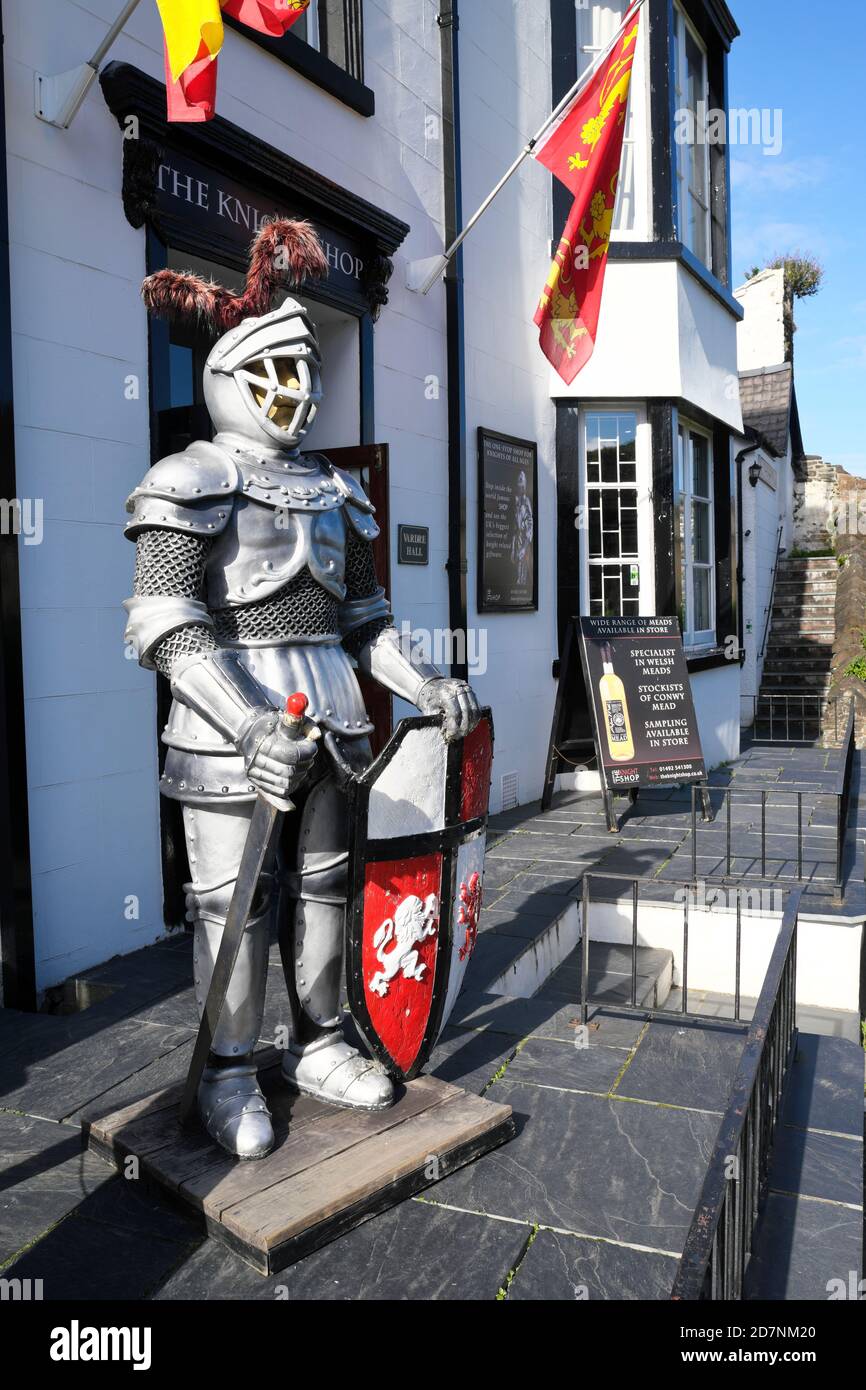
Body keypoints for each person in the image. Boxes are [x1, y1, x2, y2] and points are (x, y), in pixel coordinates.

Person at [124, 219, 480, 1159]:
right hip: (227, 722)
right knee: (234, 907)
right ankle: (229, 1068)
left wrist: (421, 682)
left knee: (327, 889)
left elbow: (363, 617)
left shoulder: (334, 491)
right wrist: (244, 724)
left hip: (337, 717)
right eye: (275, 371)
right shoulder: (190, 476)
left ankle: (320, 1039)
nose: (297, 390)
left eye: (306, 371)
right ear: (231, 378)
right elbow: (165, 622)